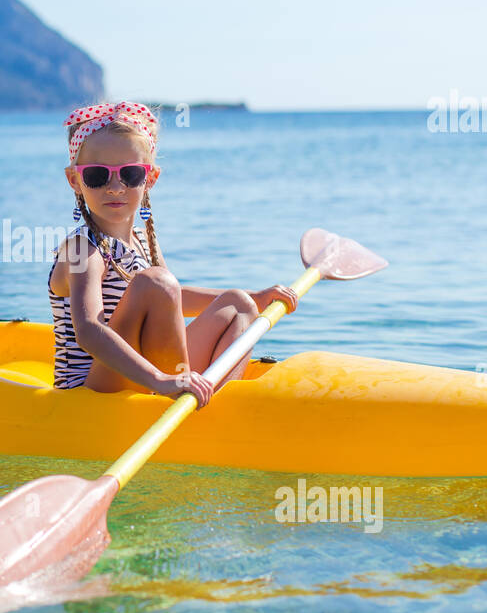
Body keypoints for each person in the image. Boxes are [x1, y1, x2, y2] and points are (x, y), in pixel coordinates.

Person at [46, 101, 298, 407]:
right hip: (91, 390)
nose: (115, 188)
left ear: (150, 178)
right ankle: (173, 393)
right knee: (156, 282)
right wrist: (157, 378)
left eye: (131, 174)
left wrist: (257, 297)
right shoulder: (82, 248)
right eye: (98, 175)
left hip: (147, 374)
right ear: (75, 180)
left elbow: (174, 298)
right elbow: (88, 330)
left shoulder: (142, 239)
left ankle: (213, 409)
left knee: (239, 305)